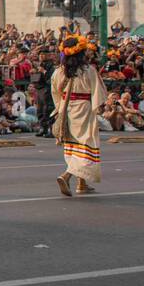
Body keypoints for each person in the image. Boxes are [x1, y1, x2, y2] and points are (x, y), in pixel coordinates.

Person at [51, 33, 108, 196]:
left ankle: (82, 184)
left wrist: (59, 108)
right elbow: (98, 91)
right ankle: (66, 175)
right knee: (86, 145)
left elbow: (55, 91)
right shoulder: (88, 70)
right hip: (83, 109)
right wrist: (99, 107)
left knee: (74, 146)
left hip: (66, 108)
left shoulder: (59, 71)